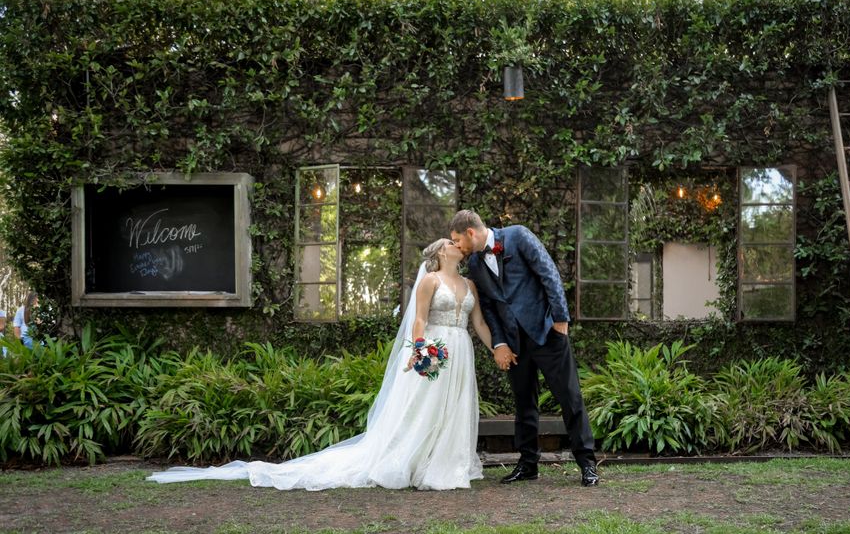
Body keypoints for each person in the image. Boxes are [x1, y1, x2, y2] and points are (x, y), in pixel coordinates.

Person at [148, 239, 494, 490]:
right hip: (434, 347)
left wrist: (497, 348)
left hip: (461, 350)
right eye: (450, 242)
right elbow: (418, 319)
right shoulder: (430, 281)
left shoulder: (469, 284)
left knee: (454, 407)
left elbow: (478, 323)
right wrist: (419, 350)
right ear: (439, 253)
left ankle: (447, 462)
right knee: (424, 407)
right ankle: (414, 461)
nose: (456, 244)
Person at [449, 210, 599, 487]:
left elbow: (549, 274)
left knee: (569, 397)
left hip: (546, 332)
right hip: (514, 342)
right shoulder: (475, 265)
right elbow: (491, 307)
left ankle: (587, 464)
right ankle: (528, 464)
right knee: (524, 403)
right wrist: (500, 342)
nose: (457, 246)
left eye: (457, 240)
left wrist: (561, 320)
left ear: (470, 232)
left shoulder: (518, 235)